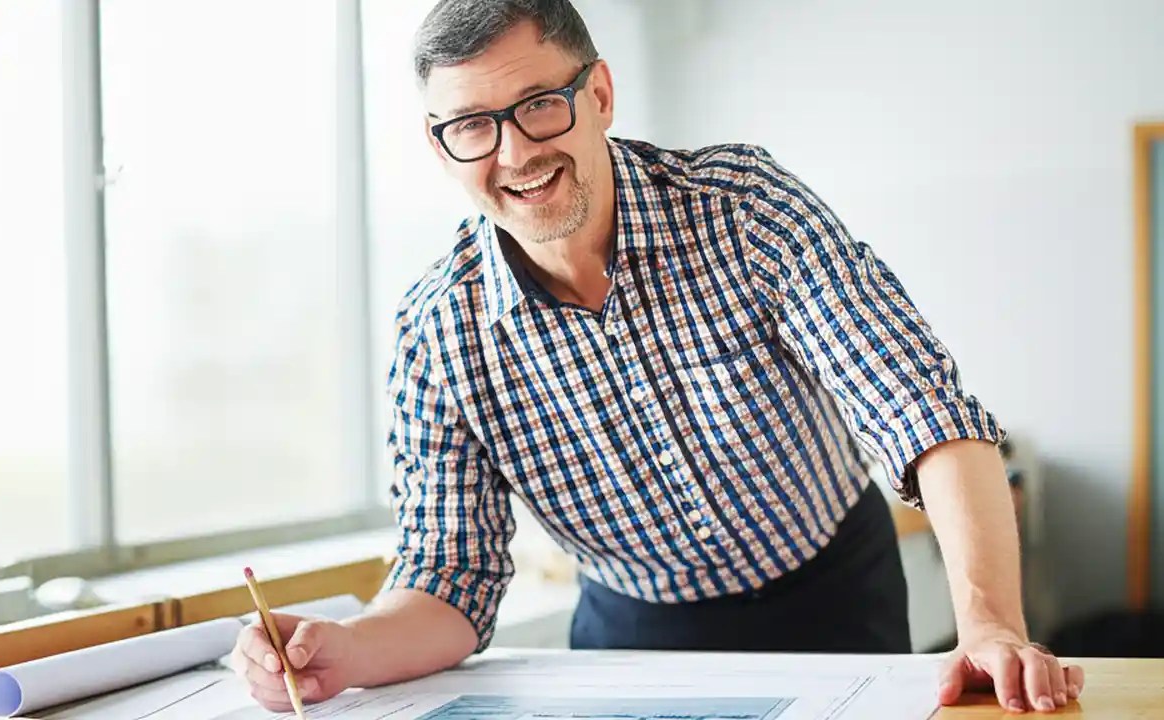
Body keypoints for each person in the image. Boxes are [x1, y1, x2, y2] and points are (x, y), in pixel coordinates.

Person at [232, 0, 1084, 714]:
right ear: (438, 143)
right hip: (633, 628)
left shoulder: (744, 208)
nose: (515, 153)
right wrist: (344, 650)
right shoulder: (437, 332)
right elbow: (449, 577)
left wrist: (988, 622)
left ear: (599, 93)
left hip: (831, 587)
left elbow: (918, 409)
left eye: (539, 104)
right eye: (473, 126)